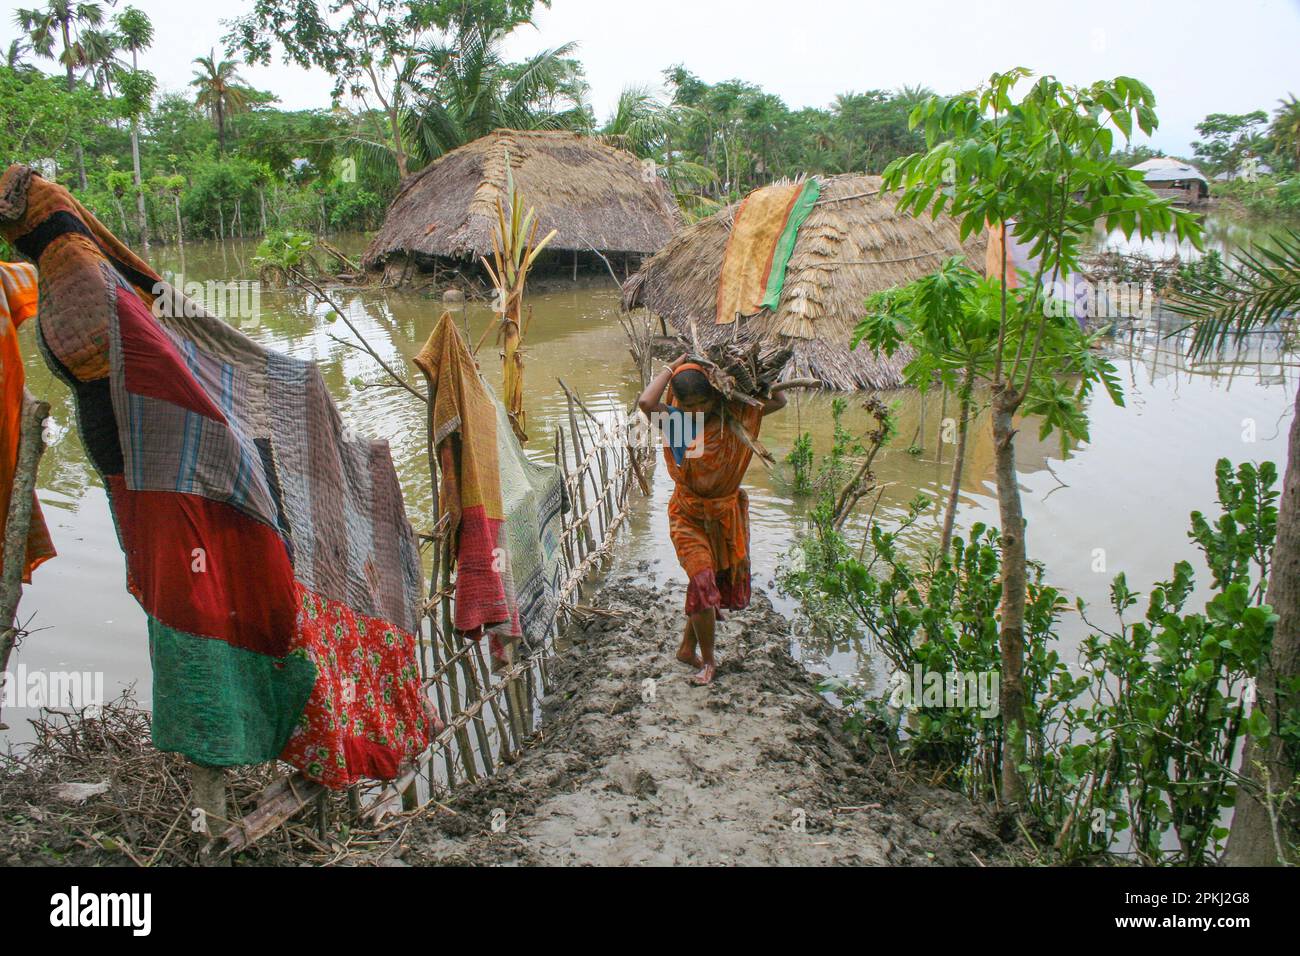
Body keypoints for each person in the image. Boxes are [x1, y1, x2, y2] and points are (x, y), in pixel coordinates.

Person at [637, 353, 786, 685]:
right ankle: (708, 662)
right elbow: (647, 402)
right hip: (687, 515)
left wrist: (759, 378)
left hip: (723, 515)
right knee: (703, 582)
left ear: (716, 397)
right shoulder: (677, 425)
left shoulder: (736, 416)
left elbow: (778, 399)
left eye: (701, 404)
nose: (694, 413)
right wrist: (673, 365)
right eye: (686, 405)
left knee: (706, 584)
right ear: (677, 403)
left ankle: (686, 649)